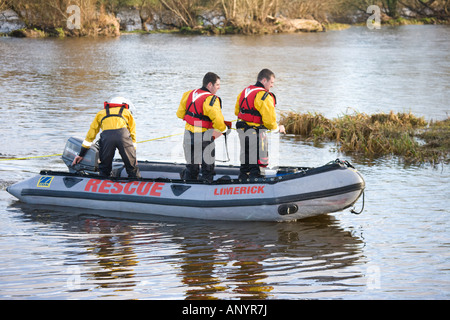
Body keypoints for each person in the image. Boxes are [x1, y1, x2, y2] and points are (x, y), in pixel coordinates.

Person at [176, 72, 229, 182]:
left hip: (188, 134)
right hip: (203, 136)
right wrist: (224, 129)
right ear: (210, 85)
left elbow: (180, 114)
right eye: (217, 85)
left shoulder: (189, 94)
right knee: (207, 167)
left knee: (192, 166)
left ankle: (189, 185)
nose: (219, 87)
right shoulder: (211, 99)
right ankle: (206, 186)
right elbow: (218, 120)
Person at [72, 96, 141, 178]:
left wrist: (81, 154)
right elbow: (132, 134)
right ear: (123, 105)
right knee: (132, 168)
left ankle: (103, 182)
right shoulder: (127, 113)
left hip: (107, 138)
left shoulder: (101, 113)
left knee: (104, 168)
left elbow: (91, 134)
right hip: (123, 136)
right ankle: (136, 182)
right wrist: (133, 156)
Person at [235, 68, 285, 179]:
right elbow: (269, 121)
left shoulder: (245, 91)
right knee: (256, 164)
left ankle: (242, 180)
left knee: (245, 161)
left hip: (242, 131)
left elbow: (236, 111)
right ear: (264, 80)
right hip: (255, 133)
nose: (272, 85)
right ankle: (254, 184)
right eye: (271, 82)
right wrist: (278, 128)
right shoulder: (264, 96)